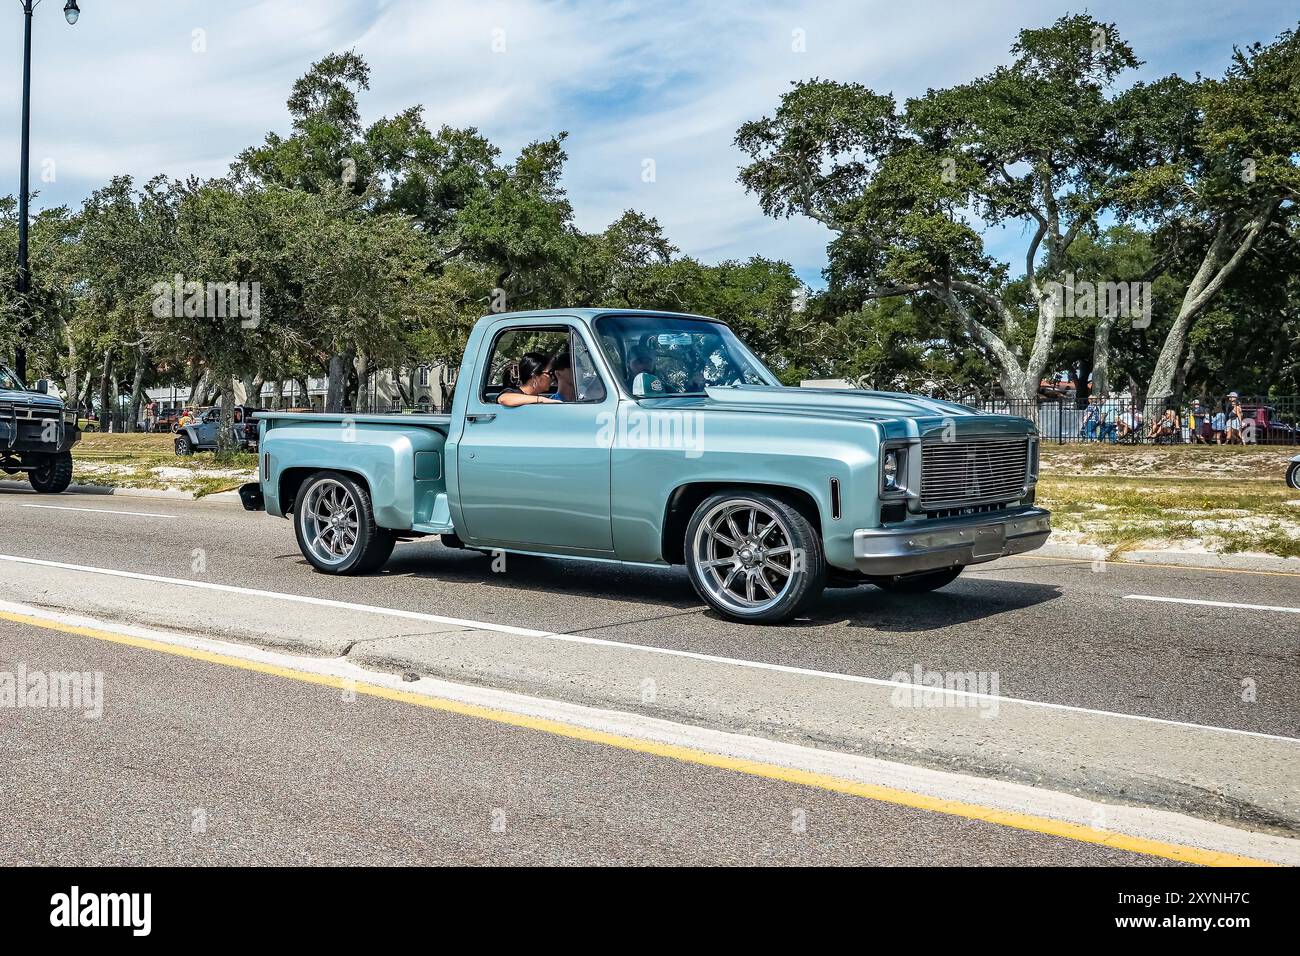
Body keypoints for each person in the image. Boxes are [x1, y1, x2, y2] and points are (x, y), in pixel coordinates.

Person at [497, 351, 561, 407]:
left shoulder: (533, 397)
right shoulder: (514, 392)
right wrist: (541, 400)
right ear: (535, 377)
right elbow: (503, 399)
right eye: (550, 373)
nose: (552, 377)